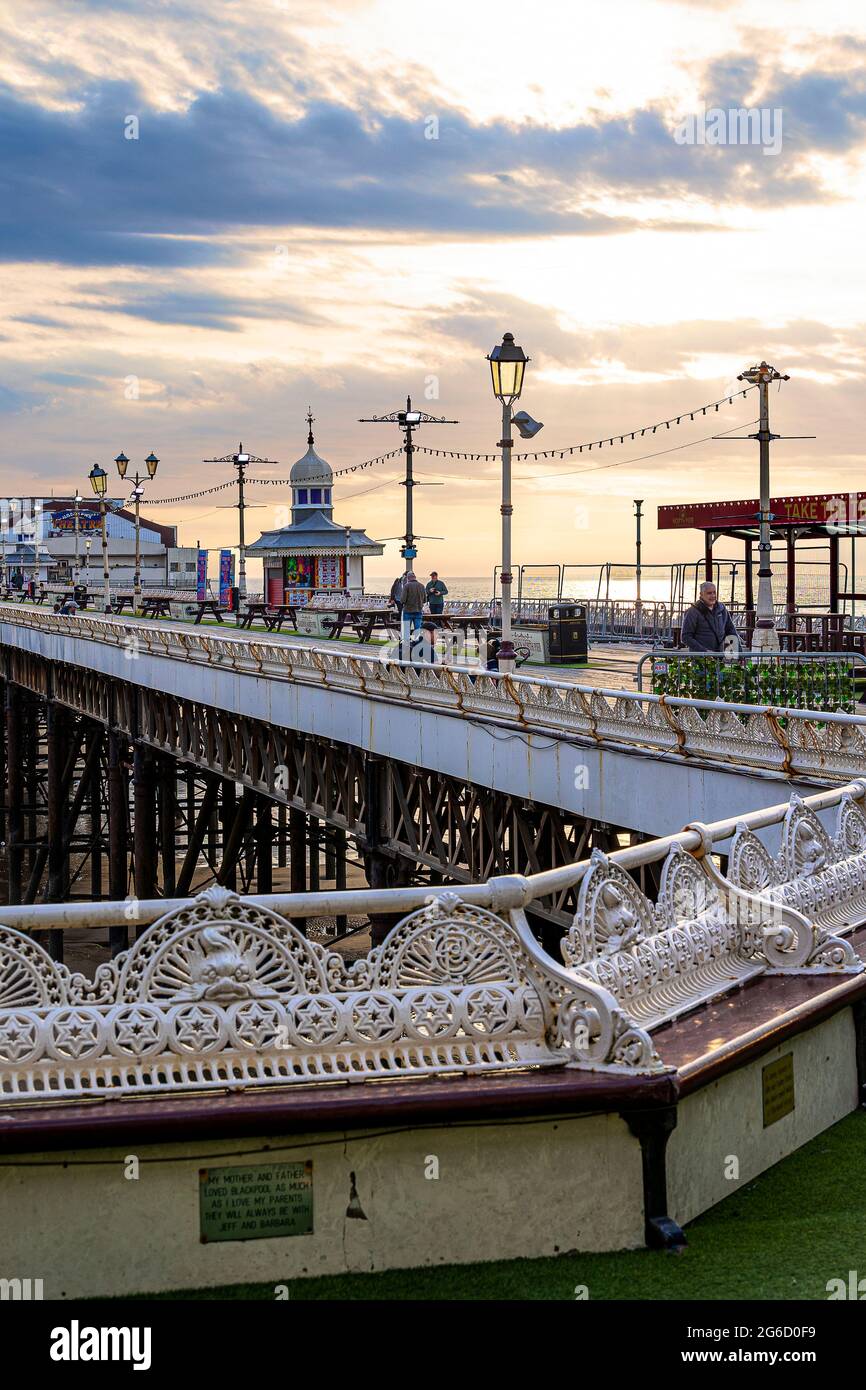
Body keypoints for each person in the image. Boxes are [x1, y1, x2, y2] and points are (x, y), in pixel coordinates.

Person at [681, 581, 738, 652]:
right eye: (709, 593)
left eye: (714, 592)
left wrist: (738, 652)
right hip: (701, 658)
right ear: (701, 594)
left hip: (721, 655)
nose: (713, 595)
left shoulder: (722, 608)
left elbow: (731, 630)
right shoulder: (692, 612)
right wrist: (704, 651)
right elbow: (685, 637)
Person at [400, 570, 427, 648]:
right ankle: (417, 644)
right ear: (415, 578)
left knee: (406, 630)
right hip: (418, 611)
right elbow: (425, 600)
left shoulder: (406, 586)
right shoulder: (422, 586)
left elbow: (402, 600)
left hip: (408, 611)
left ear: (408, 578)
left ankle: (406, 645)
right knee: (417, 629)